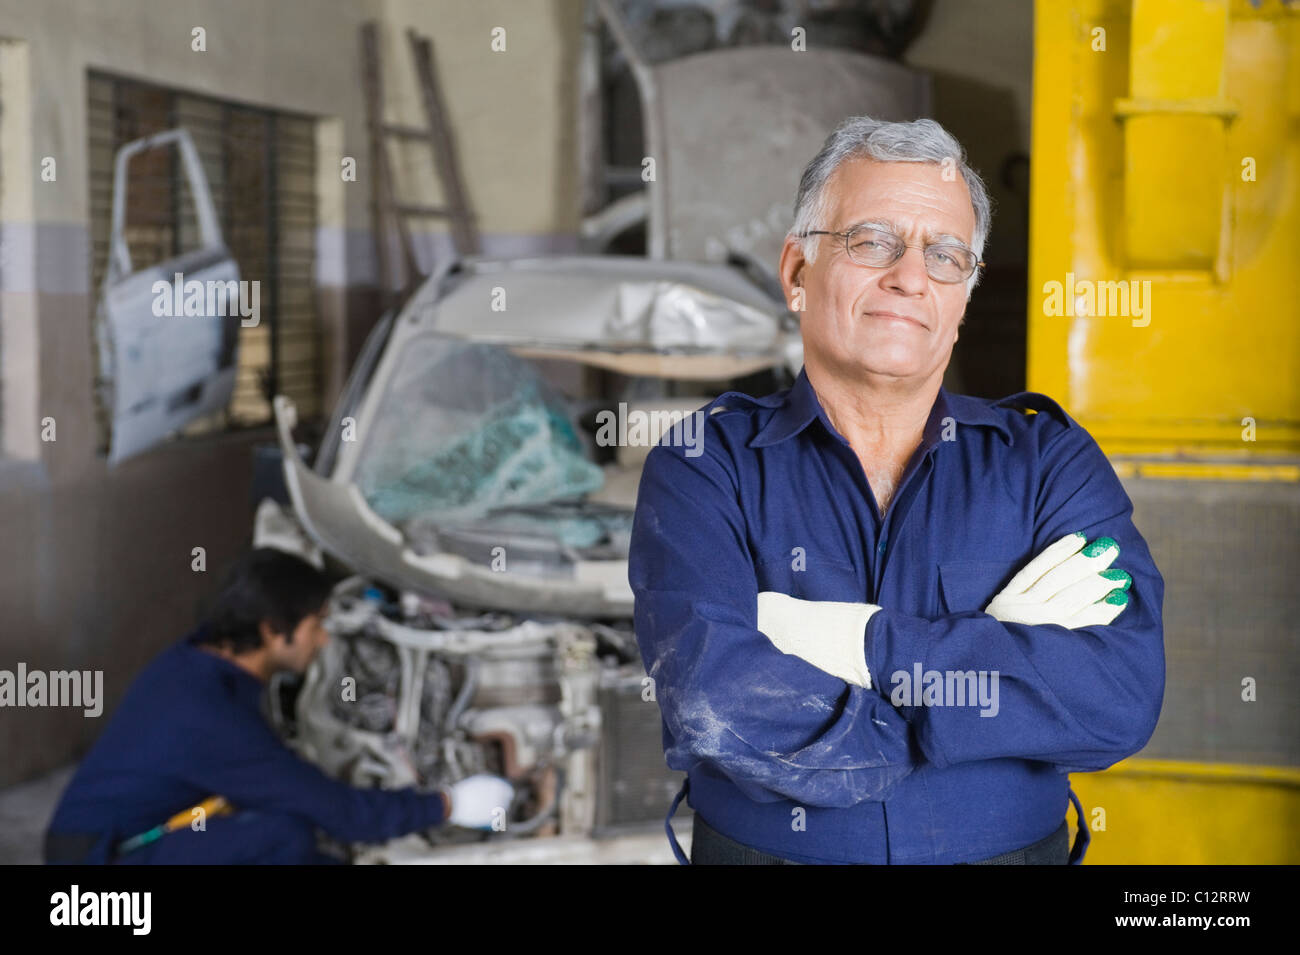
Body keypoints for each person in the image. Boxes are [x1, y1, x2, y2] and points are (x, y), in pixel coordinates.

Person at [629, 116, 1165, 865]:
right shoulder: (704, 464)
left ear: (962, 301)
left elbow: (1117, 696)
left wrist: (863, 645)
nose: (910, 277)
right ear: (796, 272)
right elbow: (713, 700)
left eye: (946, 255)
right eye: (872, 241)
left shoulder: (1049, 462)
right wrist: (962, 697)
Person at [45, 548, 511, 864]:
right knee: (282, 836)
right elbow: (341, 814)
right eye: (317, 625)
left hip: (107, 842)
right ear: (274, 630)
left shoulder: (194, 662)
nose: (325, 639)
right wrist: (448, 804)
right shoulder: (207, 715)